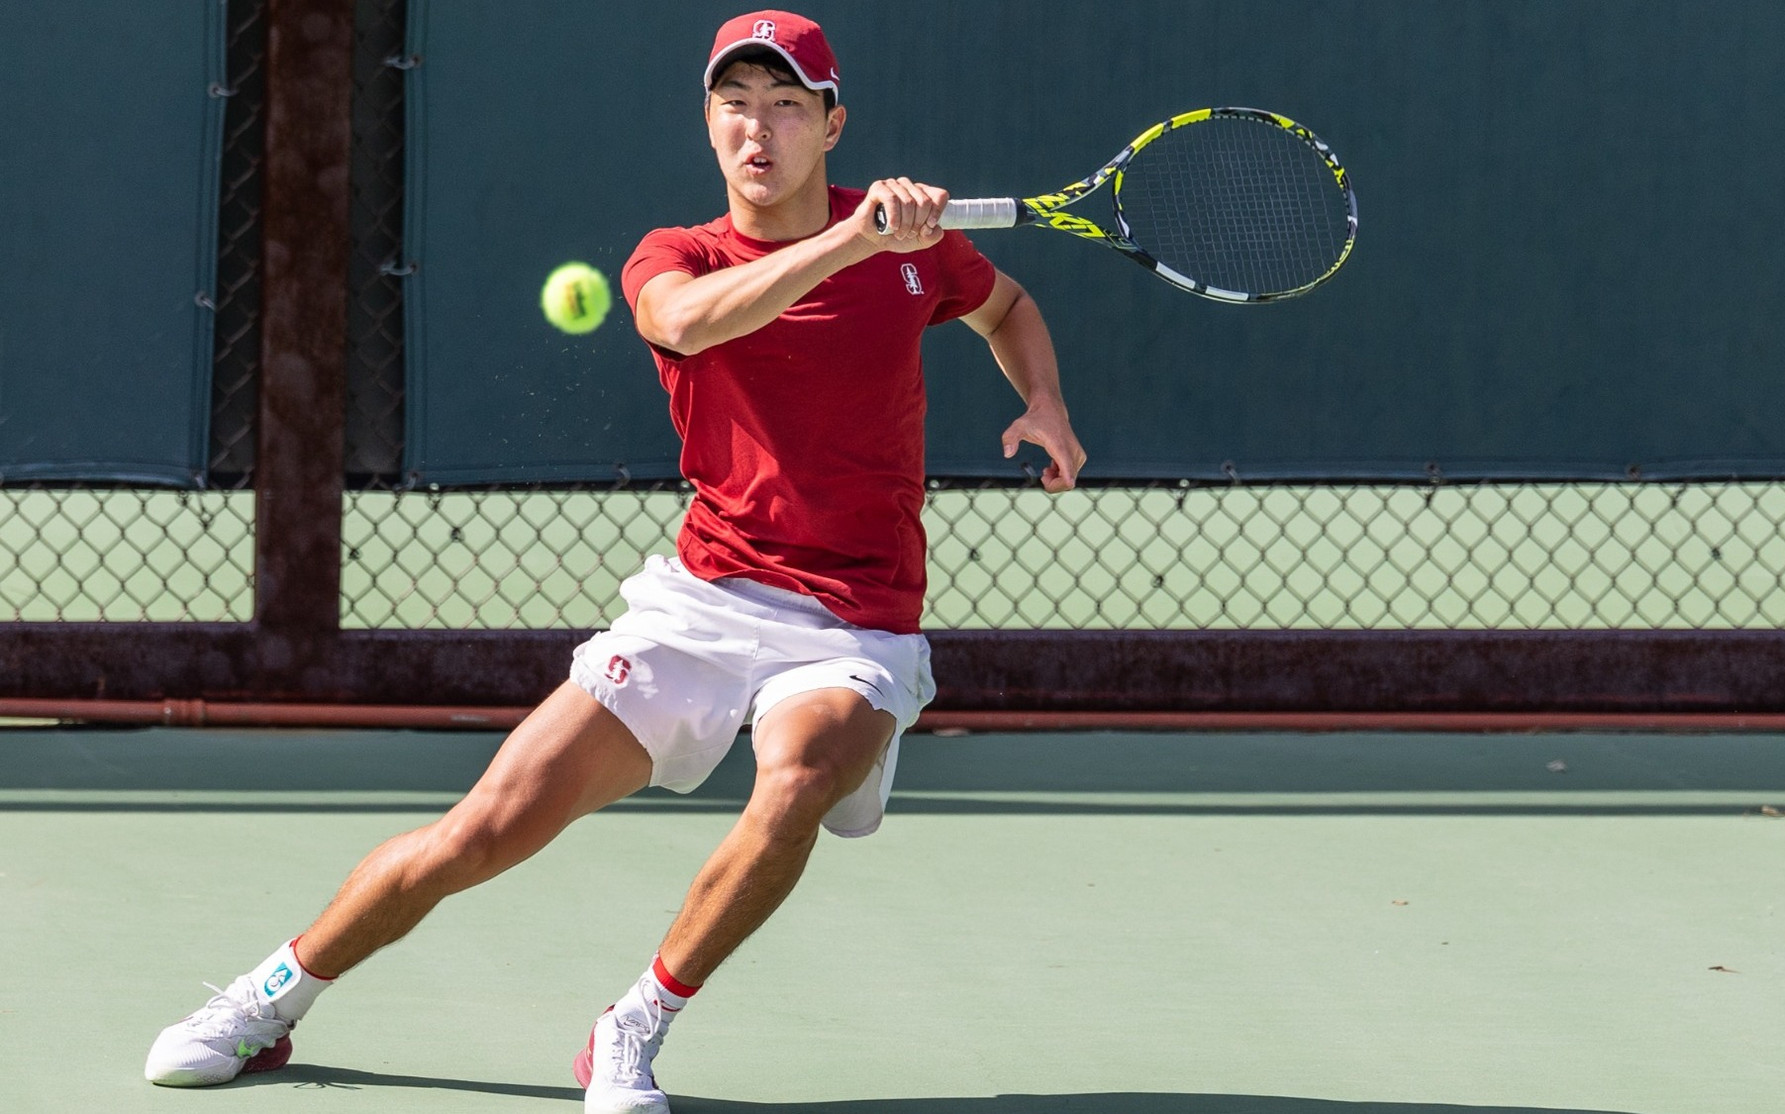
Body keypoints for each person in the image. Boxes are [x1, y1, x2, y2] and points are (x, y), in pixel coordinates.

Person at [142, 9, 1085, 1113]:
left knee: (798, 774)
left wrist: (1045, 399)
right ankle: (268, 999)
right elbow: (692, 325)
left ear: (834, 124)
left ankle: (634, 1024)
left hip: (855, 615)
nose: (758, 131)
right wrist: (854, 241)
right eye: (735, 104)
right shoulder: (675, 256)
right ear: (708, 120)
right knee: (481, 832)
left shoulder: (920, 260)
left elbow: (1006, 305)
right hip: (701, 600)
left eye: (787, 106)